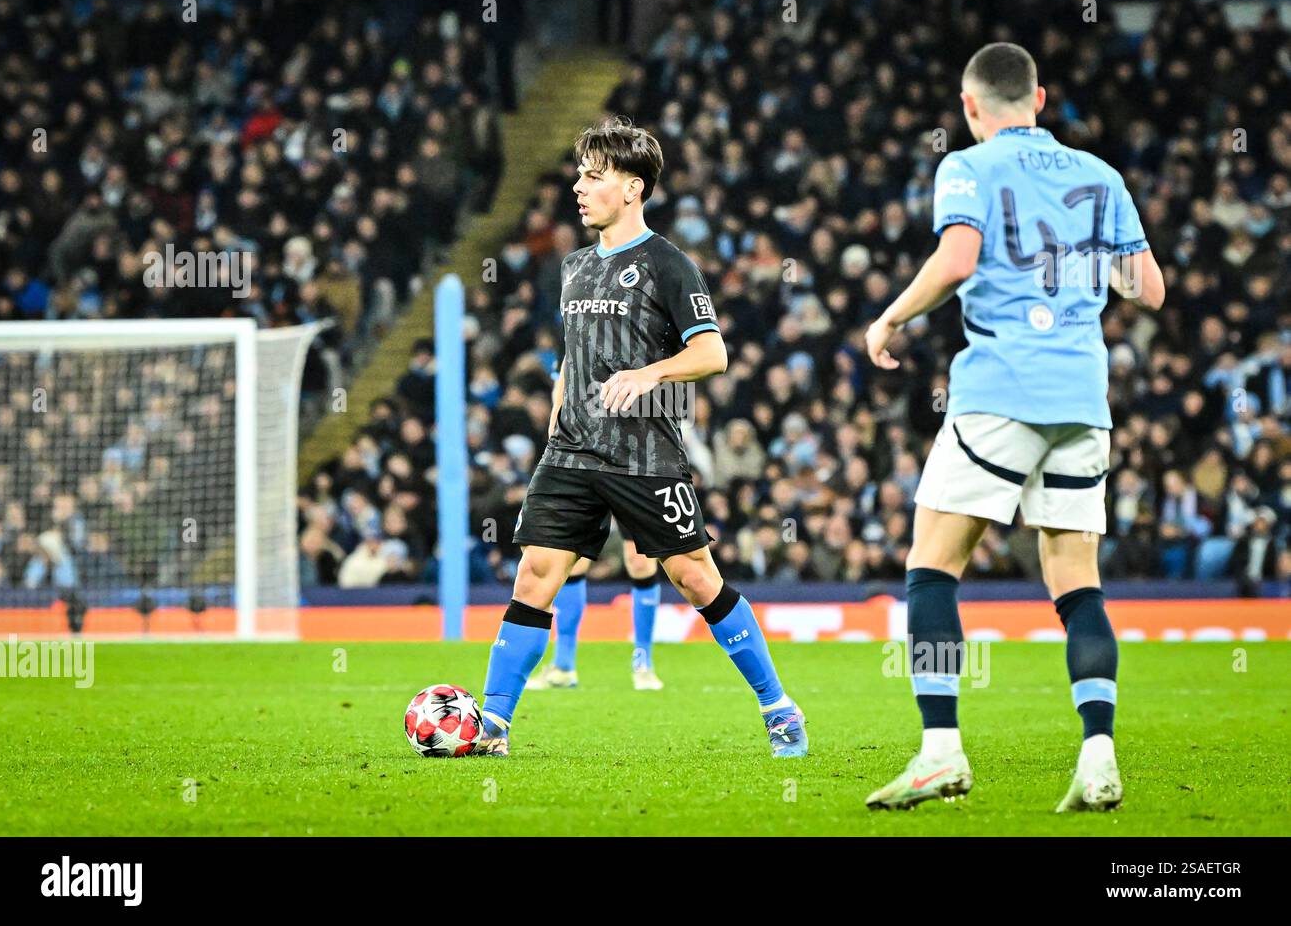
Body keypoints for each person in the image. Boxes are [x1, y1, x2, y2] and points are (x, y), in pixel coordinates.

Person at [863, 43, 1165, 812]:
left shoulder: (967, 165)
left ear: (971, 107)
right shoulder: (1103, 177)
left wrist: (891, 315)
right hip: (1082, 397)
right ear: (1040, 99)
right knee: (1076, 582)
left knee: (931, 567)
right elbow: (1149, 290)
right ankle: (1098, 756)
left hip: (1002, 389)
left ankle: (940, 751)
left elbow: (959, 258)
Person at [471, 116, 807, 758]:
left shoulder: (669, 265)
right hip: (571, 451)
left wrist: (650, 372)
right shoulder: (572, 267)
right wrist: (557, 415)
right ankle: (494, 724)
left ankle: (778, 707)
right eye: (579, 174)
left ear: (631, 188)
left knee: (694, 578)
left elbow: (713, 353)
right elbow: (571, 357)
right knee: (535, 573)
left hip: (644, 455)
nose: (578, 187)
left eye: (592, 177)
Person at [525, 524, 665, 691]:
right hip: (588, 496)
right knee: (573, 557)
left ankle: (643, 664)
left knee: (640, 560)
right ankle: (563, 666)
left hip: (633, 496)